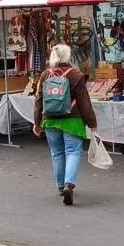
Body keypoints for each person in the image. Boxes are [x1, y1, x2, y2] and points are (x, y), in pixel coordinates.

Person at [32, 43, 98, 205]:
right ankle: (70, 183)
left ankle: (61, 186)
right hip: (72, 120)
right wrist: (92, 122)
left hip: (50, 120)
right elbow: (84, 102)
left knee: (57, 153)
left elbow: (39, 100)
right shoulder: (76, 75)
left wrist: (37, 122)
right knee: (73, 152)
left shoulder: (45, 75)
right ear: (69, 57)